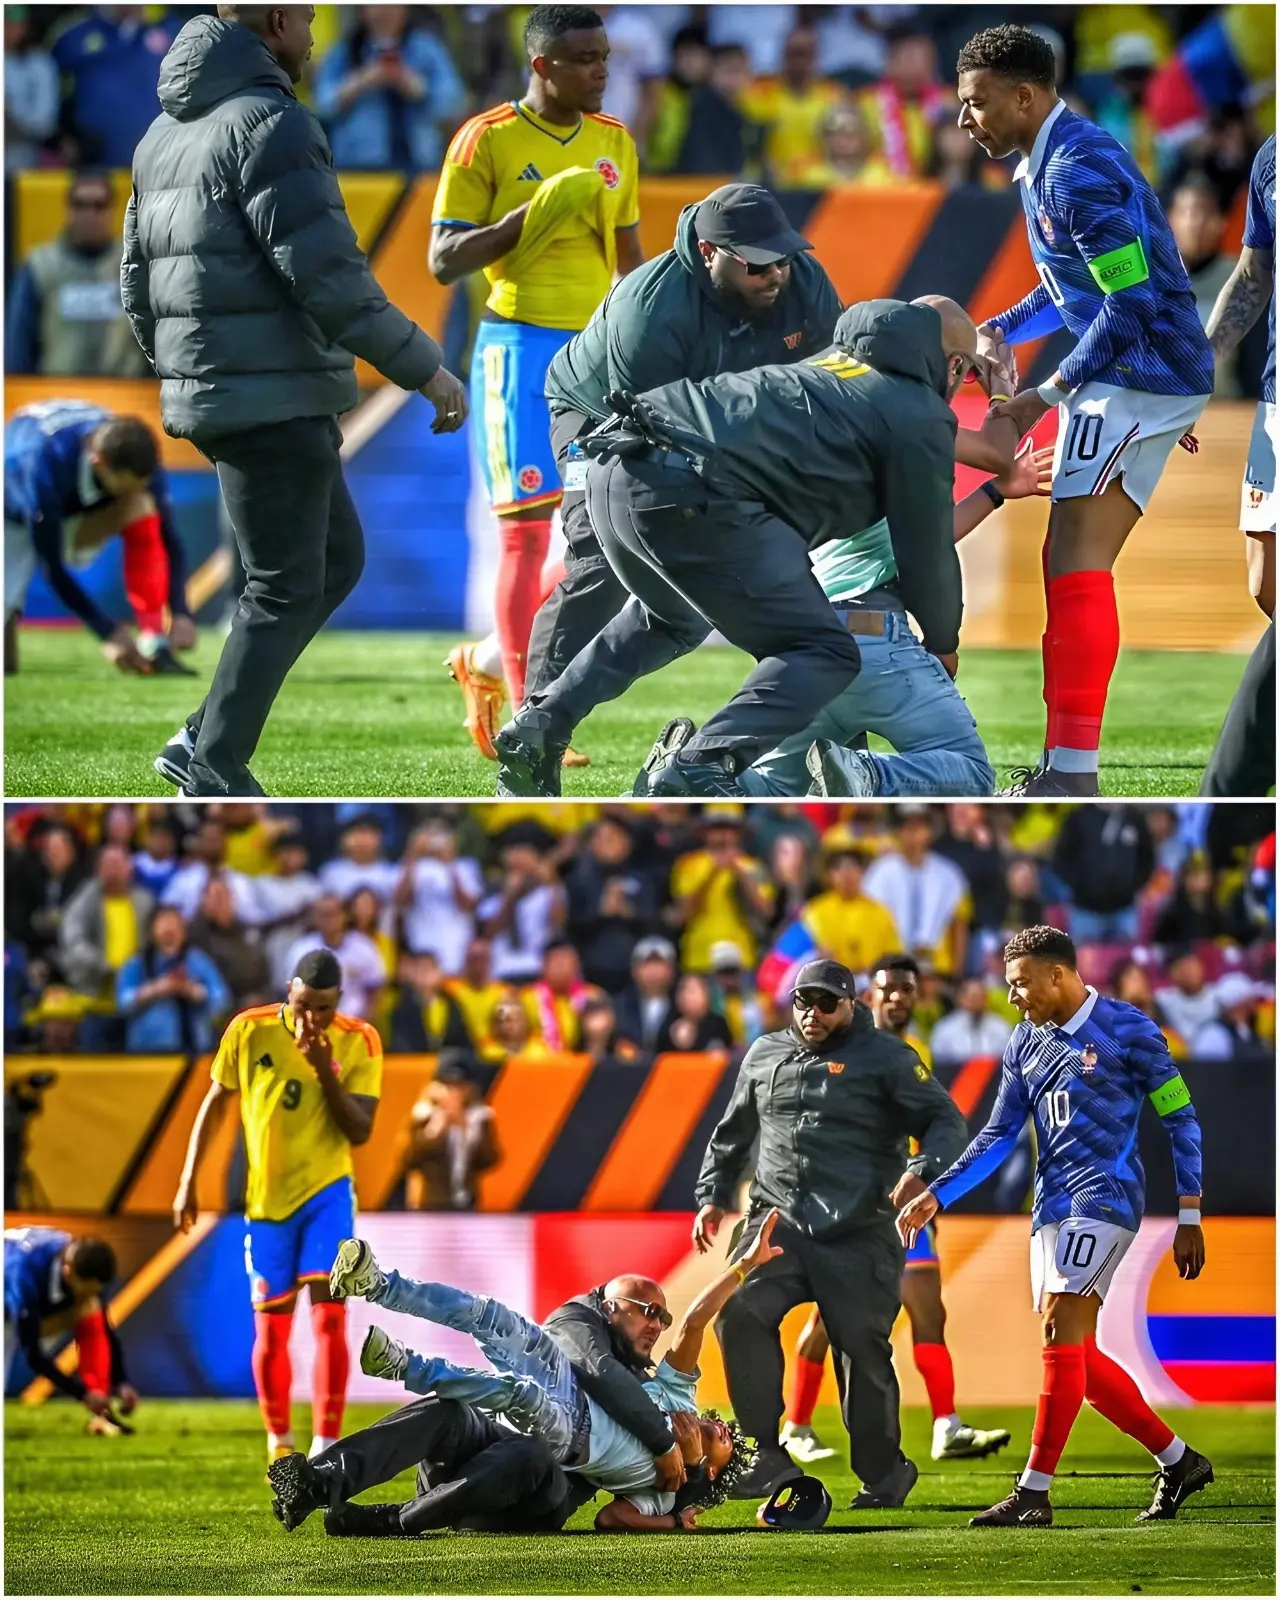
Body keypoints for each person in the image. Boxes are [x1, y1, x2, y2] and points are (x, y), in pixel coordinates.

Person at [125, 6, 466, 798]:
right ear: (275, 21)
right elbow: (330, 278)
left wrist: (188, 370)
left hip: (227, 389)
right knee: (284, 584)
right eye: (309, 19)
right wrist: (426, 369)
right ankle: (212, 764)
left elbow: (136, 284)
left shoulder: (158, 135)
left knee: (333, 562)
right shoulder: (274, 124)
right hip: (267, 392)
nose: (315, 35)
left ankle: (200, 735)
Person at [498, 297, 991, 799]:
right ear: (953, 365)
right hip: (694, 485)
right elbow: (925, 549)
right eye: (967, 374)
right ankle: (698, 766)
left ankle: (541, 723)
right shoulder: (916, 411)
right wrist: (943, 638)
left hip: (618, 461)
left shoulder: (825, 367)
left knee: (674, 618)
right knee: (821, 650)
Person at [956, 24, 1215, 797]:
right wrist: (997, 330)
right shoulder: (1052, 162)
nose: (966, 120)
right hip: (1138, 376)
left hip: (1136, 374)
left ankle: (1072, 775)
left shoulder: (1073, 171)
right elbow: (1077, 291)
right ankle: (1065, 767)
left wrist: (1044, 392)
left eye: (977, 103)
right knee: (1066, 560)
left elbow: (1129, 304)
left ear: (1025, 96)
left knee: (1075, 561)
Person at [897, 924, 1211, 1526]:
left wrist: (1190, 1212)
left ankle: (1033, 1492)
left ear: (1058, 975)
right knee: (1077, 1357)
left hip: (1108, 1198)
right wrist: (939, 1194)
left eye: (1019, 984)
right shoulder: (1023, 1043)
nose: (1012, 997)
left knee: (1057, 1328)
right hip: (1049, 1208)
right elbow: (996, 1136)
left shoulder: (1129, 1029)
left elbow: (1182, 1120)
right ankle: (1179, 1461)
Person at [434, 4, 643, 760]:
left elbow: (630, 265)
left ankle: (487, 660)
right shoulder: (486, 139)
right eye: (585, 58)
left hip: (595, 355)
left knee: (611, 537)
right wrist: (529, 217)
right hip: (516, 347)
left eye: (605, 56)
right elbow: (444, 259)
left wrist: (644, 345)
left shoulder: (615, 142)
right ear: (542, 66)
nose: (602, 70)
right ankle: (531, 713)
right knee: (525, 533)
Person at [693, 958, 968, 1507]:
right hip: (775, 1221)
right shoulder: (763, 1053)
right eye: (803, 1001)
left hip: (861, 1228)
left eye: (825, 1003)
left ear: (851, 1004)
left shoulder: (888, 1058)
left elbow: (947, 1122)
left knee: (860, 1349)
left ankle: (884, 1471)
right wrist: (709, 1197)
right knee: (738, 1313)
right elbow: (732, 1134)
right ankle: (763, 1453)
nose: (812, 1013)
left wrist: (923, 1169)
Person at [318, 1217, 774, 1529]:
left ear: (713, 1474)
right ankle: (379, 1284)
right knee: (493, 1317)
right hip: (570, 1388)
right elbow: (696, 1320)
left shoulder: (670, 1490)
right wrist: (744, 1266)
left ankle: (406, 1366)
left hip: (570, 1439)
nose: (720, 1424)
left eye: (726, 1438)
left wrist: (675, 1516)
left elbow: (610, 1519)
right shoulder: (680, 1398)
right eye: (724, 1424)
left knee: (519, 1395)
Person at [781, 957, 1011, 1467]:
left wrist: (929, 1185)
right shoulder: (843, 1052)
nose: (897, 999)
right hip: (856, 1206)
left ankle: (946, 1425)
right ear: (867, 999)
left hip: (902, 1203)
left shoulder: (915, 1052)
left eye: (907, 990)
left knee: (929, 1308)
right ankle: (794, 1425)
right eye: (888, 990)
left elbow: (930, 1126)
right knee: (830, 1315)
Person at [172, 948, 383, 1468]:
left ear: (339, 1004)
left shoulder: (361, 1041)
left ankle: (326, 1443)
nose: (313, 1018)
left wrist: (323, 1069)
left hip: (326, 1195)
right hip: (266, 1206)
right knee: (272, 1329)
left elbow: (360, 1130)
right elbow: (215, 1103)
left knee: (330, 1320)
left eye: (325, 1009)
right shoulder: (249, 1030)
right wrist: (187, 1181)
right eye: (306, 1004)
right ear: (289, 990)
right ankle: (279, 1446)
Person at [4, 403, 195, 680]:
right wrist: (108, 632)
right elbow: (52, 567)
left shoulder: (137, 458)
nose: (140, 486)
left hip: (70, 507)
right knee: (5, 663)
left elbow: (169, 538)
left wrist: (180, 611)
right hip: (11, 508)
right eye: (128, 482)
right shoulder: (40, 468)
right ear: (98, 463)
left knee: (141, 503)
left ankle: (154, 641)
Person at [1200, 135, 1275, 799]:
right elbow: (1253, 274)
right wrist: (1201, 364)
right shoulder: (1271, 159)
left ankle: (1237, 777)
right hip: (1278, 397)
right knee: (1266, 583)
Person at [270, 1392, 595, 1537]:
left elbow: (616, 1514)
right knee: (449, 1410)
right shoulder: (569, 1367)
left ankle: (394, 1519)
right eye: (645, 1312)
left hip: (537, 1497)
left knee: (533, 1449)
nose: (650, 1324)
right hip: (490, 1451)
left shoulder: (640, 1416)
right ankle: (318, 1484)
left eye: (650, 1312)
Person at [6, 171, 149, 378]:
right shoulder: (40, 265)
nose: (89, 214)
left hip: (123, 392)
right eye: (80, 204)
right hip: (57, 392)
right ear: (67, 209)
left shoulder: (136, 265)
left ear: (112, 210)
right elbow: (18, 343)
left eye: (99, 205)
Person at [4, 1228, 138, 1436]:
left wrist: (121, 1382)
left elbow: (104, 1327)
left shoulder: (84, 1265)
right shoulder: (25, 1274)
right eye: (84, 1289)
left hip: (34, 1307)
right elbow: (32, 1353)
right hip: (9, 1300)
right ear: (68, 1272)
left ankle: (101, 1411)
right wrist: (81, 1394)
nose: (90, 1295)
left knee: (91, 1311)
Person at [311, 5, 467, 172]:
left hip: (419, 166)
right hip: (357, 170)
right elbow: (321, 107)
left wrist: (419, 89)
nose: (385, 12)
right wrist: (360, 83)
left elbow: (455, 104)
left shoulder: (427, 50)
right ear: (361, 11)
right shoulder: (344, 52)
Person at [116, 904, 232, 1054]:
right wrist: (156, 989)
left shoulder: (197, 961)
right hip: (146, 1051)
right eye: (163, 925)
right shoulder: (138, 963)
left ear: (184, 932)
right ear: (152, 931)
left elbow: (221, 999)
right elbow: (122, 1003)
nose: (169, 931)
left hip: (193, 1051)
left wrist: (194, 991)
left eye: (174, 925)